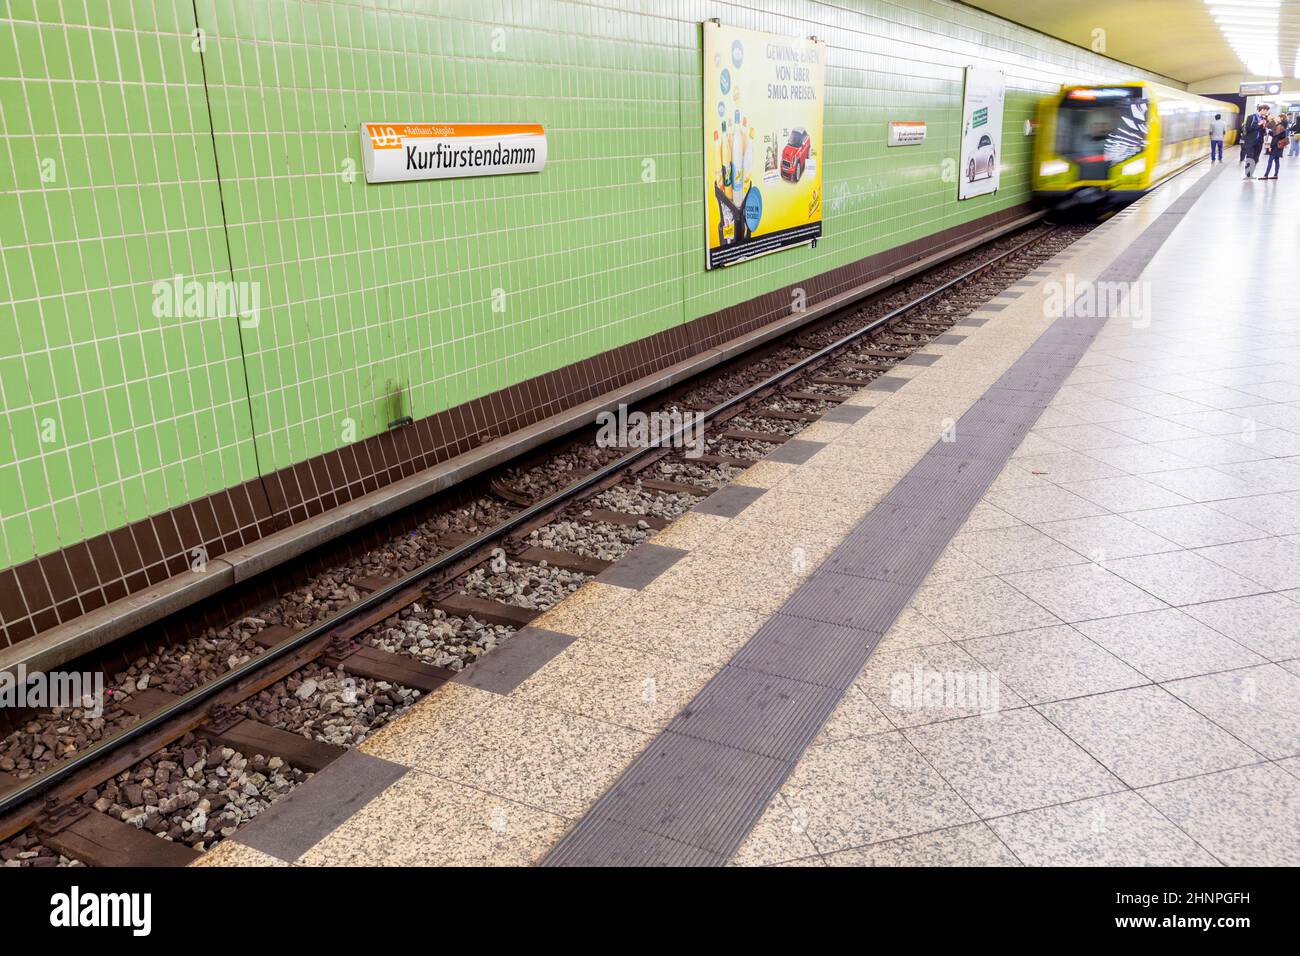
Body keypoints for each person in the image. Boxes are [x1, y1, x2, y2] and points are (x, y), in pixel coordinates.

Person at [1242, 104, 1268, 177]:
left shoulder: (1264, 119)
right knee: (1250, 156)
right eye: (1266, 111)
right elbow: (1248, 128)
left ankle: (1251, 173)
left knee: (1256, 158)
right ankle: (1248, 174)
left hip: (1259, 141)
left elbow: (1263, 132)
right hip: (1250, 141)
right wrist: (1259, 124)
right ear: (1262, 109)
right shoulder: (1251, 117)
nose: (1266, 112)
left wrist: (1264, 127)